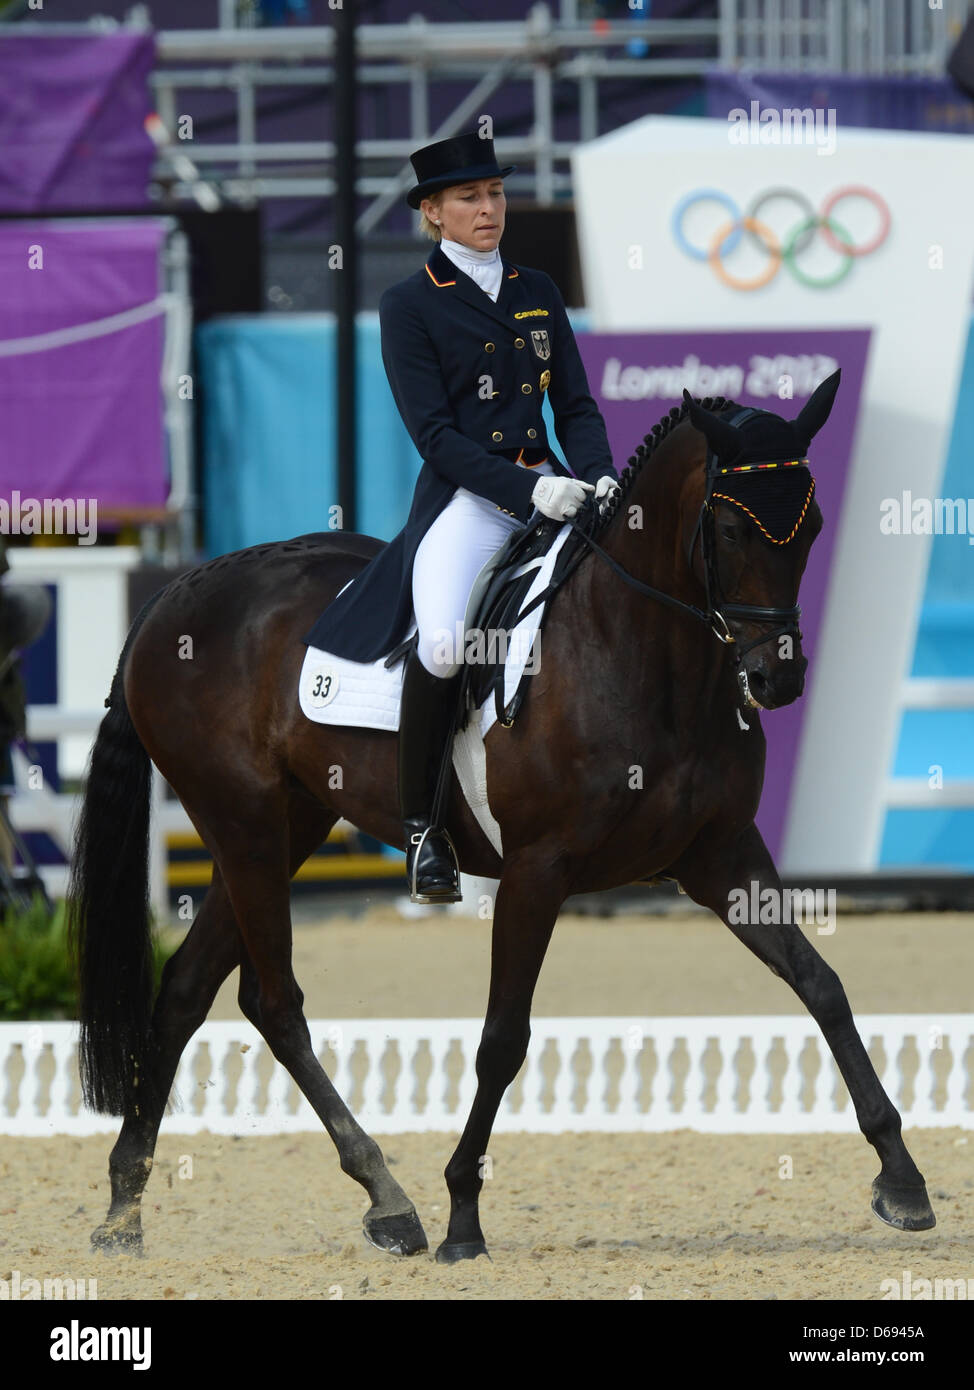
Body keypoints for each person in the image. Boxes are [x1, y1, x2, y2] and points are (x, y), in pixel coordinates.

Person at [304, 130, 619, 903]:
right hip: (472, 501)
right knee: (445, 643)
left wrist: (602, 476)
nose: (488, 209)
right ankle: (422, 832)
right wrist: (526, 494)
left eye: (496, 194)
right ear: (433, 214)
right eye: (470, 199)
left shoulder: (538, 289)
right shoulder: (408, 306)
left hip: (556, 487)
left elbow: (574, 405)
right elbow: (436, 437)